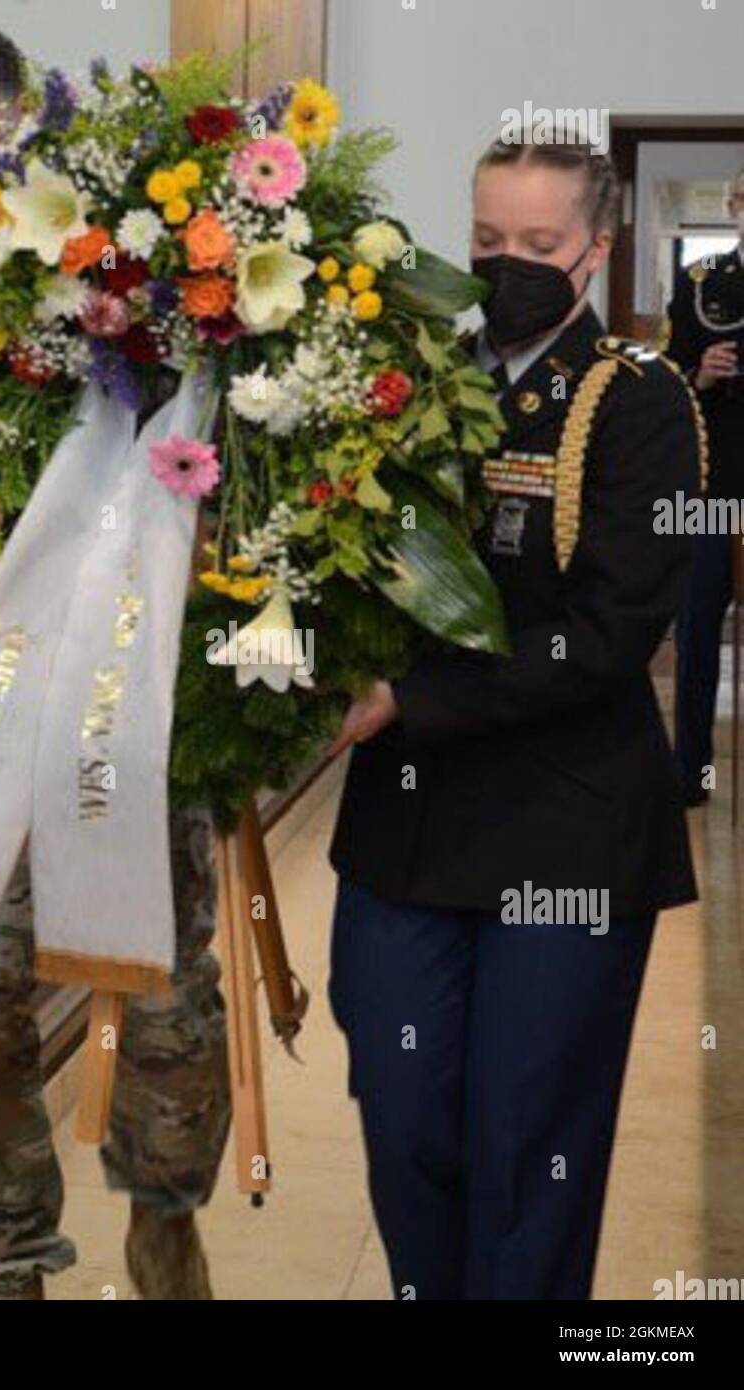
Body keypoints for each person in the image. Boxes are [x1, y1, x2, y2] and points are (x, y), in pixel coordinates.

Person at [0, 23, 230, 1301]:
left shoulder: (134, 273)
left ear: (20, 121)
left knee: (164, 1001)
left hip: (123, 722)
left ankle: (164, 1215)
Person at [325, 135, 705, 1300]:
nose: (507, 266)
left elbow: (606, 634)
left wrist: (412, 696)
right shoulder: (403, 382)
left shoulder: (639, 404)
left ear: (595, 251)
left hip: (567, 828)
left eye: (538, 245)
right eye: (487, 240)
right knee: (404, 1125)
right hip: (407, 828)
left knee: (526, 1142)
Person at [662, 170, 744, 806]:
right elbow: (668, 386)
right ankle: (689, 771)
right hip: (715, 484)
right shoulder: (702, 282)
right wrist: (702, 373)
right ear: (733, 205)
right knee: (695, 623)